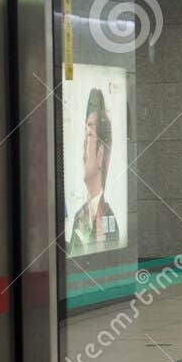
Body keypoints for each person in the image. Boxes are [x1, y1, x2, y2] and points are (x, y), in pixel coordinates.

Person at [69, 87, 120, 254]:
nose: (83, 144)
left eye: (89, 134)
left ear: (100, 154)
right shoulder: (79, 216)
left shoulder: (109, 219)